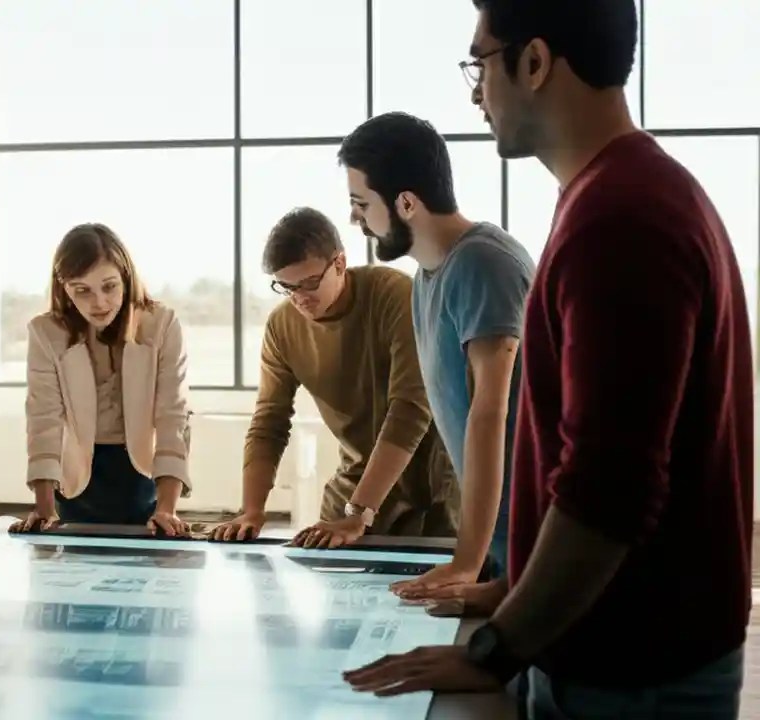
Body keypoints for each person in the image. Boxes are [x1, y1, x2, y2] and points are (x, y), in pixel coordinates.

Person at [345, 2, 752, 717]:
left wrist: (497, 648)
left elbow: (609, 489)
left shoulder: (622, 217)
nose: (475, 91)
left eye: (481, 63)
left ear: (534, 62)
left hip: (630, 665)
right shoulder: (614, 195)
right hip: (613, 644)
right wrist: (507, 589)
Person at [337, 111, 534, 592]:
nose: (354, 218)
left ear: (405, 202)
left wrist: (464, 563)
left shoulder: (484, 263)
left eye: (361, 203)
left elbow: (489, 414)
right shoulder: (427, 279)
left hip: (538, 540)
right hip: (501, 543)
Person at [211, 207, 458, 548]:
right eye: (286, 287)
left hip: (434, 489)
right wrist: (252, 510)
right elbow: (269, 422)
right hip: (353, 488)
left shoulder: (394, 295)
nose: (300, 297)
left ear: (339, 264)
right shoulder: (282, 327)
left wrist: (360, 512)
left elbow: (411, 410)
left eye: (310, 283)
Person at [11, 223, 193, 536]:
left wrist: (167, 509)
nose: (99, 303)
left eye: (109, 286)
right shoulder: (45, 332)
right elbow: (43, 420)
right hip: (77, 476)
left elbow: (172, 417)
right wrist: (44, 508)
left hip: (142, 473)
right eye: (82, 290)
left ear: (126, 278)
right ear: (64, 288)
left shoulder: (161, 324)